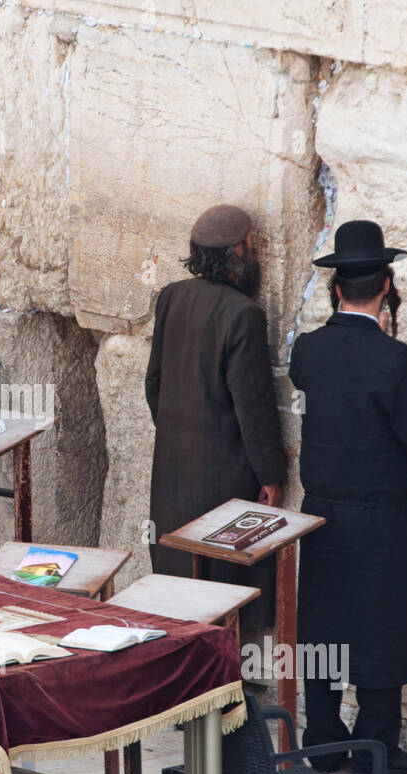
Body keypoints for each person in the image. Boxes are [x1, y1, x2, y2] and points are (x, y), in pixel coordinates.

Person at [289, 219, 407, 774]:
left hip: (320, 515)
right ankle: (377, 753)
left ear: (334, 288)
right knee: (379, 630)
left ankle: (323, 742)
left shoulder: (308, 351)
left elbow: (329, 373)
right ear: (389, 287)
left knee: (324, 628)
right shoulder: (397, 361)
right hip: (378, 520)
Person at [145, 204, 287, 630]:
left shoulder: (171, 296)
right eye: (251, 246)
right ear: (238, 254)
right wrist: (270, 474)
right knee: (222, 591)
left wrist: (177, 433)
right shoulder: (243, 314)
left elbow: (154, 382)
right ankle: (223, 688)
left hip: (171, 472)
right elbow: (253, 405)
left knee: (179, 589)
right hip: (224, 477)